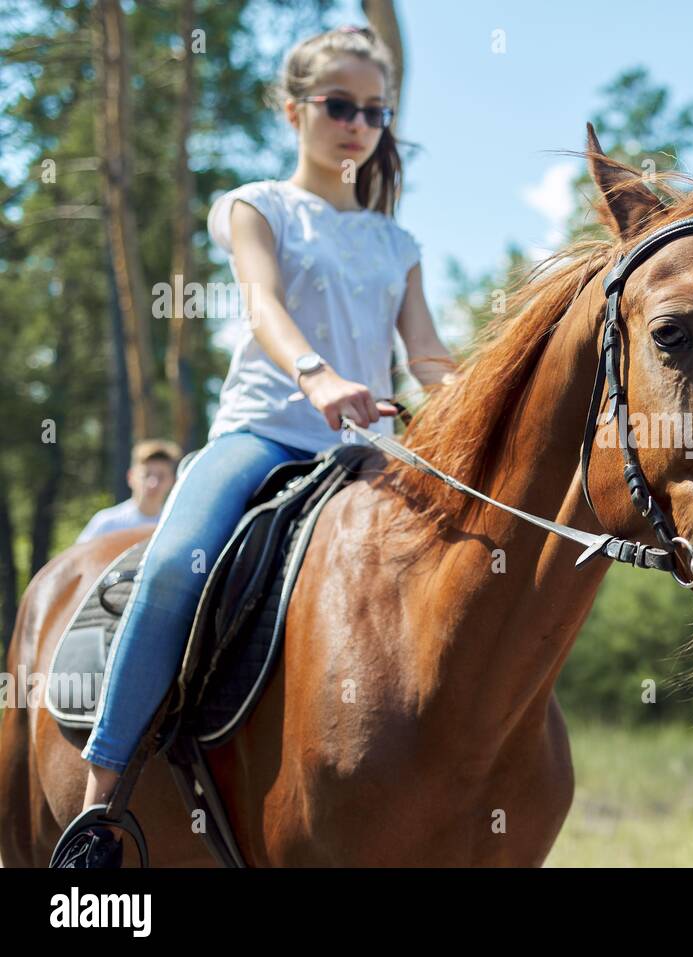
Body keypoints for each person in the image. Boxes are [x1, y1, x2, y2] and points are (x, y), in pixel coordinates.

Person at [52, 25, 458, 868]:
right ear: (294, 108)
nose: (357, 124)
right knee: (174, 567)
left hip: (369, 453)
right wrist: (317, 376)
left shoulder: (397, 245)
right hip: (266, 433)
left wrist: (464, 408)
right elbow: (264, 304)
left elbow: (425, 357)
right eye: (338, 105)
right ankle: (100, 803)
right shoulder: (255, 204)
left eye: (374, 112)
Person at [75, 440, 183, 544]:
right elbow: (77, 559)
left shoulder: (175, 528)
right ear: (130, 477)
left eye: (161, 476)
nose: (153, 483)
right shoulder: (107, 523)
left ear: (172, 482)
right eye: (146, 475)